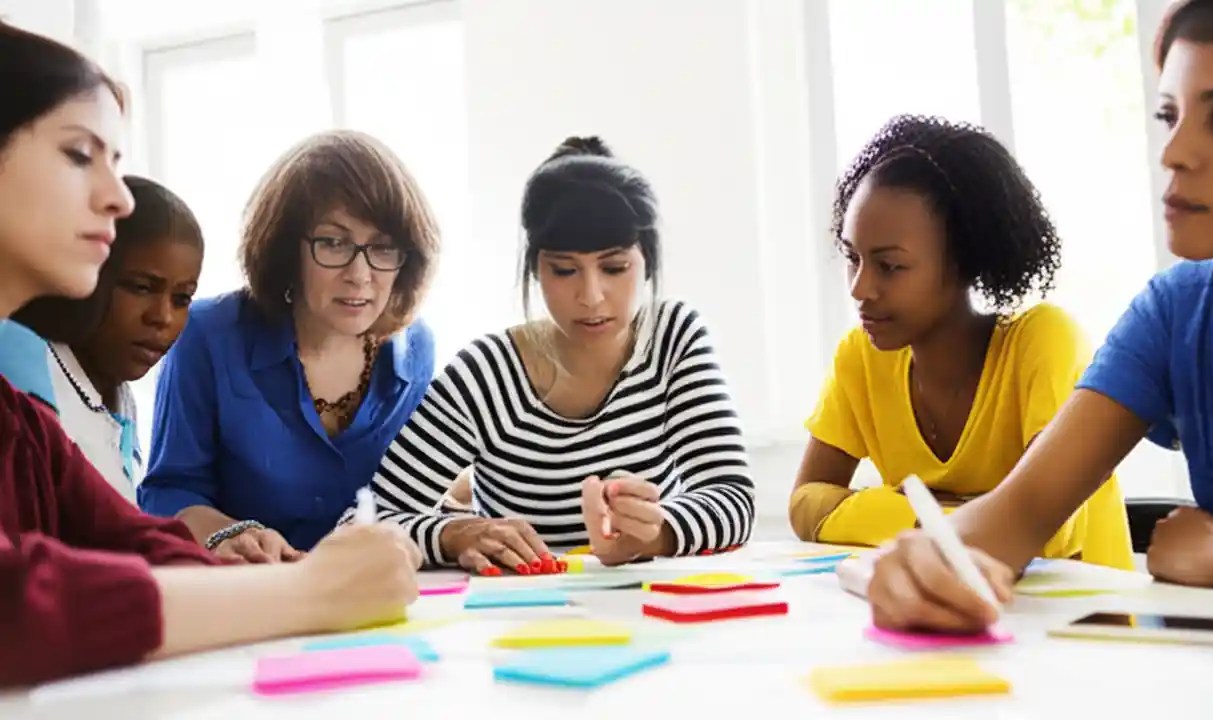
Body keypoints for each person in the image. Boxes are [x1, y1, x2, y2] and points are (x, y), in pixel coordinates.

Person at [0, 23, 420, 687]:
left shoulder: (19, 423)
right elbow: (17, 605)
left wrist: (297, 582)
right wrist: (310, 592)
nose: (120, 197)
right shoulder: (208, 339)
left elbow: (135, 537)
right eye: (81, 154)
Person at [864, 0, 1213, 635]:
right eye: (1169, 115)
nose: (1173, 151)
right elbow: (1021, 510)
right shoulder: (1174, 314)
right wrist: (927, 558)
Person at [345, 136, 756, 573]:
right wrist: (453, 534)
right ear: (534, 269)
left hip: (656, 610)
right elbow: (362, 525)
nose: (592, 297)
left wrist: (657, 533)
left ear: (648, 262)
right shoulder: (485, 375)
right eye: (564, 270)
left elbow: (731, 495)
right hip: (519, 622)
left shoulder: (673, 338)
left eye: (615, 268)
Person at [789, 115, 1132, 570]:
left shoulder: (1043, 341)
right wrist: (969, 515)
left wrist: (882, 510)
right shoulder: (861, 357)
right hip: (954, 618)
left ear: (966, 261)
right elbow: (804, 504)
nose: (859, 288)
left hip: (1087, 628)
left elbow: (1049, 532)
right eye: (852, 258)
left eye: (890, 266)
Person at [139, 130, 439, 562]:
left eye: (383, 247)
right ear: (286, 248)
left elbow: (410, 501)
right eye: (333, 243)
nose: (360, 273)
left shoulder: (416, 350)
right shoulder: (207, 335)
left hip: (371, 600)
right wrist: (231, 534)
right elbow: (166, 492)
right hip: (248, 599)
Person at [0, 175, 203, 501]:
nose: (162, 317)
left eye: (182, 299)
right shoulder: (26, 371)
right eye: (141, 287)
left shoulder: (120, 395)